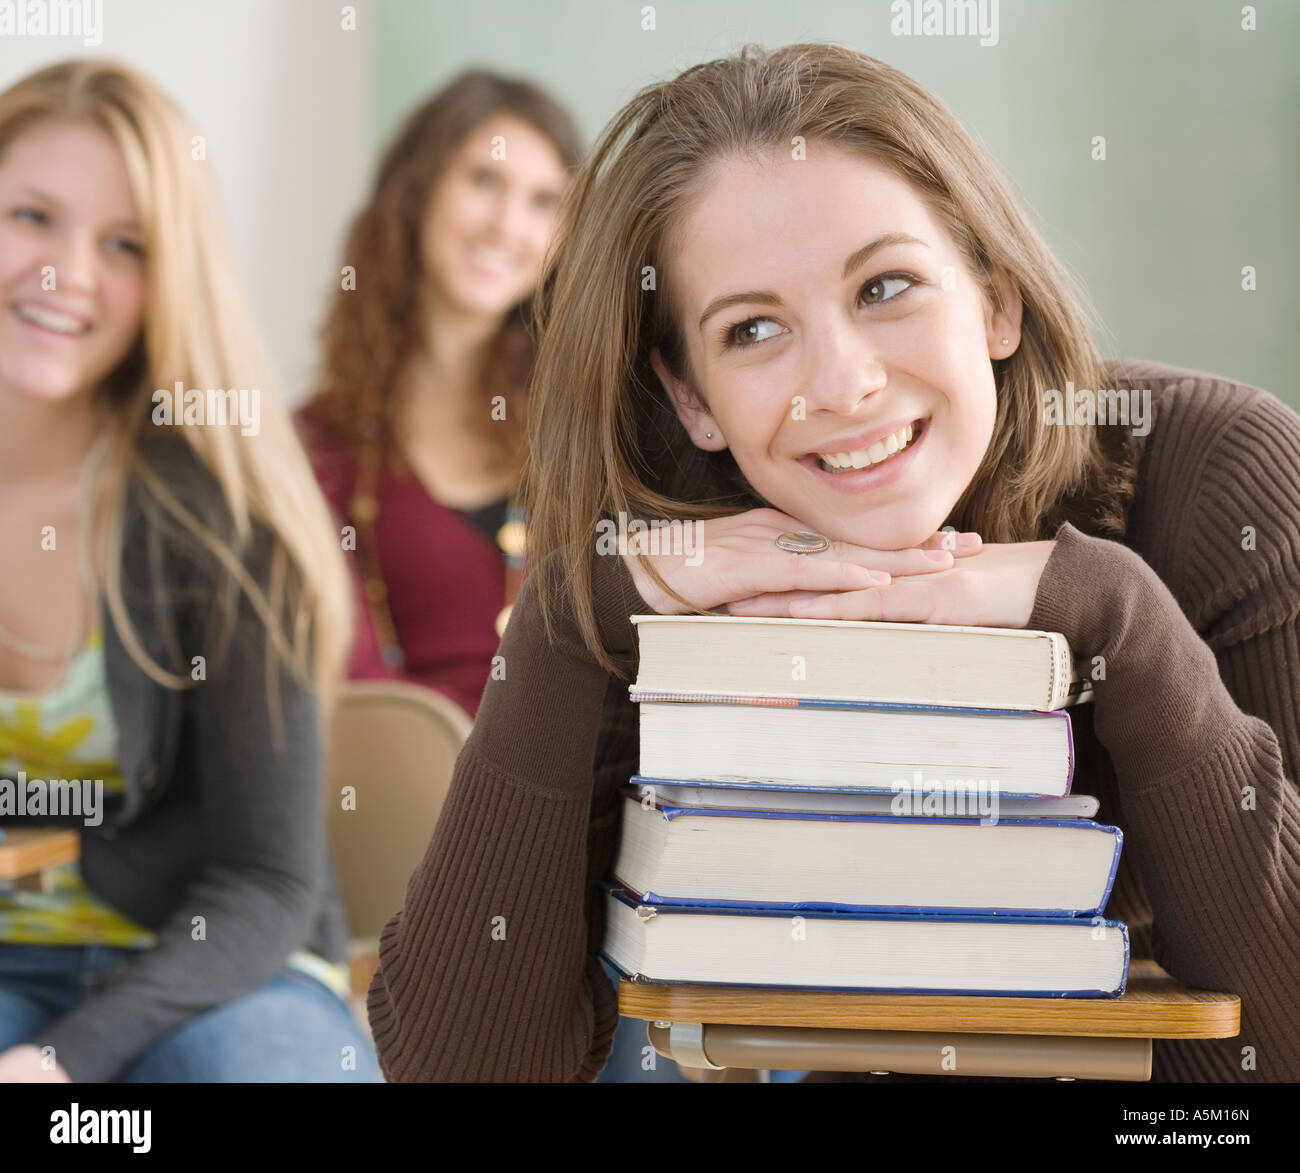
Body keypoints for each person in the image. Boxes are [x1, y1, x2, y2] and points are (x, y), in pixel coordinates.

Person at [366, 43, 1300, 1082]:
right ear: (691, 398)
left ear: (995, 299)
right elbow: (462, 1068)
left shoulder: (1224, 478)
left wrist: (1122, 620)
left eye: (886, 285)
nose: (842, 384)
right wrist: (565, 626)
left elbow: (1274, 1052)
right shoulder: (674, 568)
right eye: (754, 329)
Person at [0, 60, 379, 1082]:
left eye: (125, 244)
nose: (69, 271)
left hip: (219, 972)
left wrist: (59, 1062)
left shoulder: (224, 517)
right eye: (32, 216)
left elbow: (265, 878)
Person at [296, 71, 582, 718]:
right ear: (418, 190)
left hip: (577, 788)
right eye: (484, 180)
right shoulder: (317, 447)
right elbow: (355, 689)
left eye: (543, 202)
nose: (507, 225)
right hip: (407, 790)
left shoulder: (586, 429)